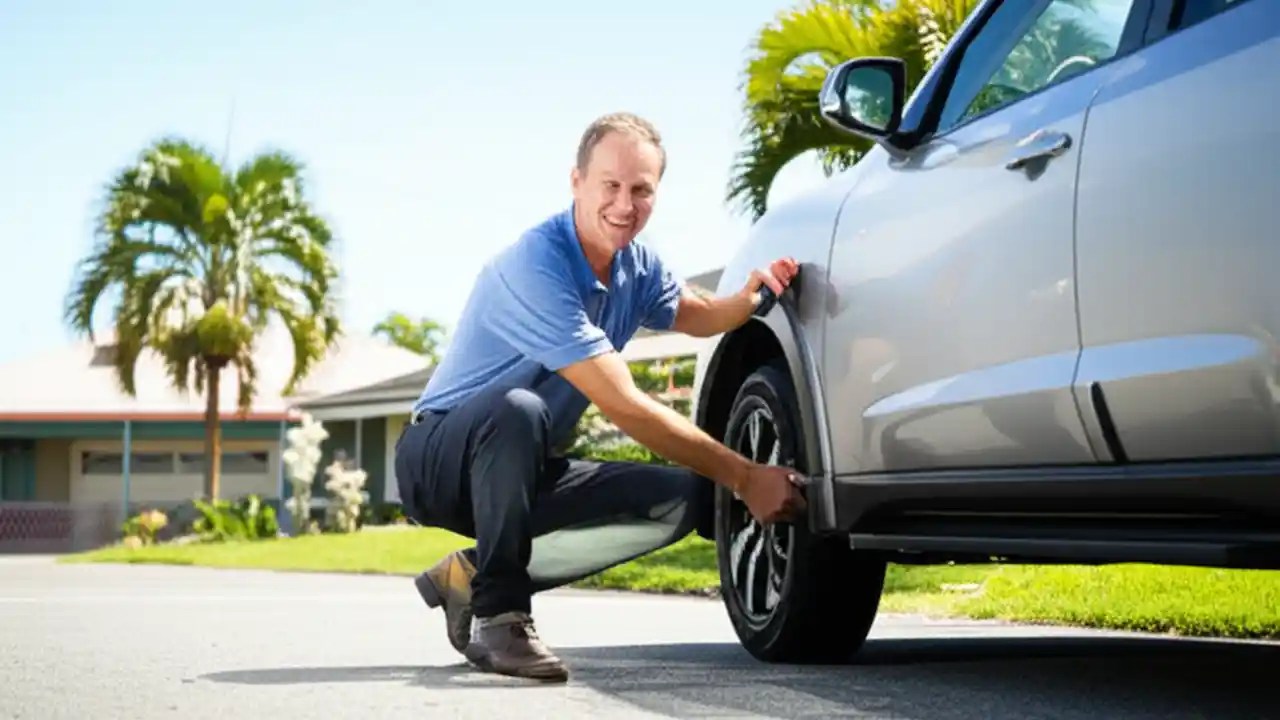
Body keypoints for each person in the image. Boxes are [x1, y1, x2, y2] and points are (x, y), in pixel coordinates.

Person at [394, 111, 806, 683]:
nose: (624, 203)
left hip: (522, 472)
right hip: (438, 459)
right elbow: (624, 405)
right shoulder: (537, 263)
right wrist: (744, 475)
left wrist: (749, 299)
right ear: (576, 182)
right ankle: (499, 618)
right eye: (610, 185)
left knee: (686, 496)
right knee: (519, 408)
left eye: (641, 190)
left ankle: (472, 576)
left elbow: (692, 311)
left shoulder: (636, 266)